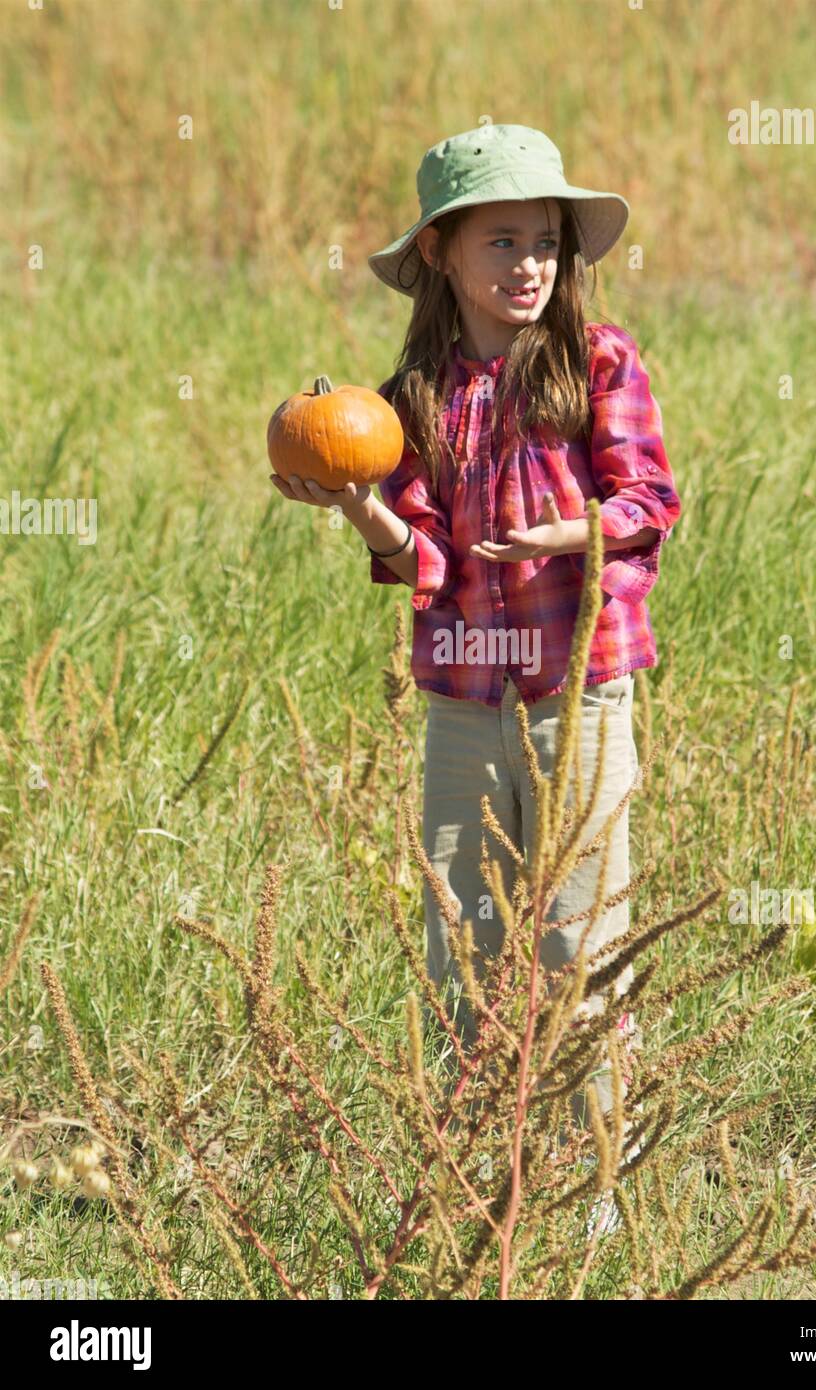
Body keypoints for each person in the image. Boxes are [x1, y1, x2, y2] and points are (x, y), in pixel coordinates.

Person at [270, 124, 682, 1130]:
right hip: (463, 705)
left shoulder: (597, 362)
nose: (530, 265)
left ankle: (597, 1179)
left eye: (545, 241)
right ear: (439, 255)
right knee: (466, 944)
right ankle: (483, 1170)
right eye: (501, 242)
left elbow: (650, 504)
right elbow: (428, 560)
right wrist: (355, 501)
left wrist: (572, 528)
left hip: (576, 695)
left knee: (577, 946)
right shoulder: (414, 398)